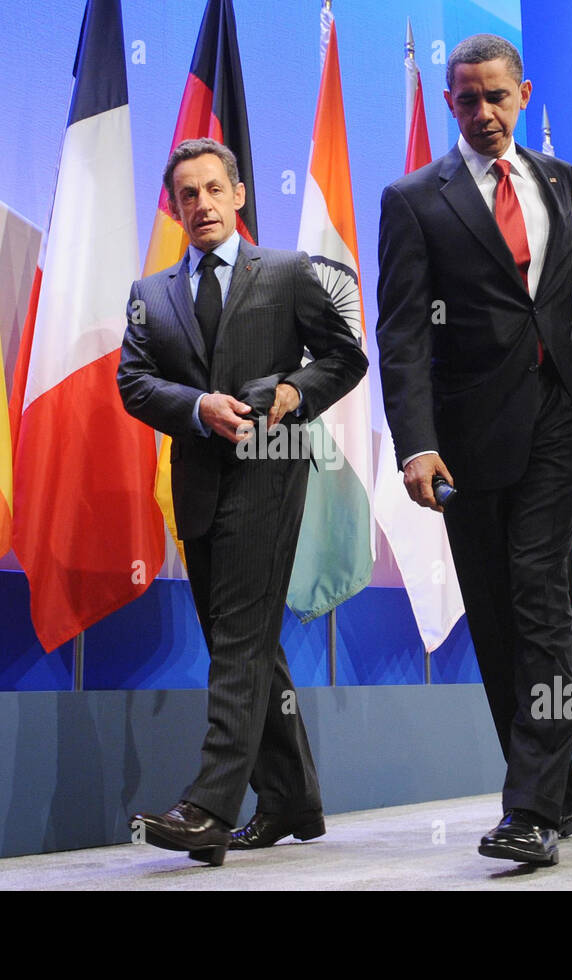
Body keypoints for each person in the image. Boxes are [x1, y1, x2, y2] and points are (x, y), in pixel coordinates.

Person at [375, 34, 572, 866]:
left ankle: (529, 810)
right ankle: (557, 787)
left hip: (557, 420)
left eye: (496, 98)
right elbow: (402, 332)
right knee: (495, 613)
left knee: (539, 595)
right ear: (449, 103)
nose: (482, 113)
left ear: (522, 93)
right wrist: (415, 445)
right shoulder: (413, 199)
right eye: (466, 100)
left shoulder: (556, 179)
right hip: (467, 443)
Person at [117, 138, 367, 866]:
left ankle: (207, 809)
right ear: (176, 207)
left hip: (269, 474)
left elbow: (346, 357)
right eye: (187, 194)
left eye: (212, 189)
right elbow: (134, 383)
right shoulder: (150, 295)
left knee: (238, 645)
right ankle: (291, 799)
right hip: (198, 489)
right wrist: (197, 407)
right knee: (248, 645)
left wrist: (292, 392)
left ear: (239, 194)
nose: (201, 204)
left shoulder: (287, 273)